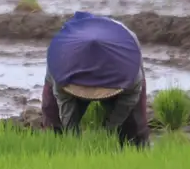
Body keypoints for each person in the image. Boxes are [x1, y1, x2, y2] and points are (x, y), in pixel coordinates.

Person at [40, 11, 150, 147]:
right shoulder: (61, 62)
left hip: (116, 75)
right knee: (53, 121)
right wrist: (72, 141)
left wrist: (107, 131)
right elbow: (66, 107)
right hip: (70, 73)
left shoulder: (129, 70)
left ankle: (137, 152)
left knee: (133, 128)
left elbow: (129, 99)